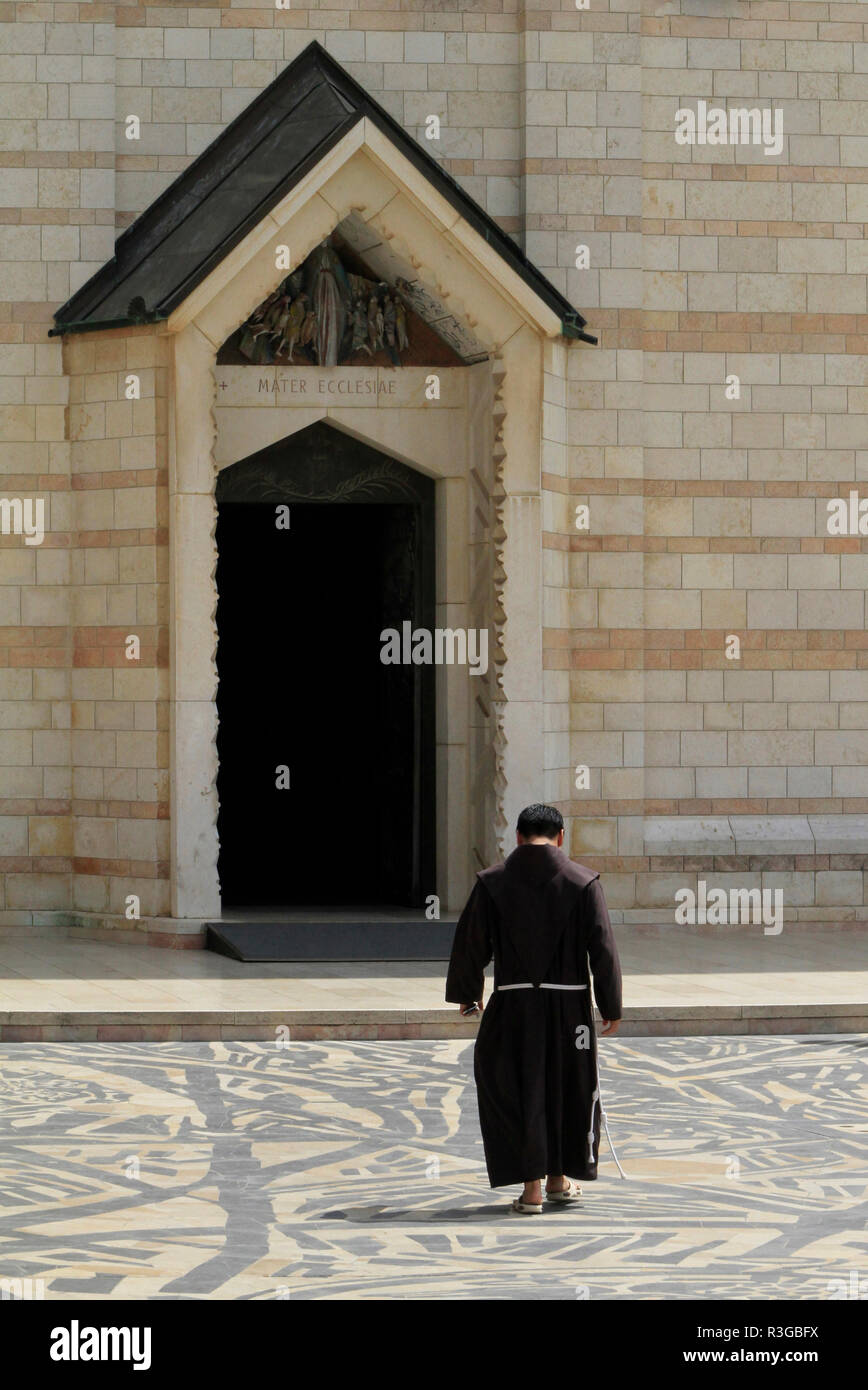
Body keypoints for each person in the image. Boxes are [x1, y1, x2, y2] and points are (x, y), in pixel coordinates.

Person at [445, 803, 622, 1214]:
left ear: (519, 837)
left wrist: (469, 994)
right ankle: (560, 1178)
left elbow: (471, 943)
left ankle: (535, 1189)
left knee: (519, 1088)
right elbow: (603, 947)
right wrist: (609, 1003)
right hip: (570, 1008)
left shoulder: (492, 883)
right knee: (567, 1087)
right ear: (561, 836)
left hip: (513, 1004)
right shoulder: (584, 882)